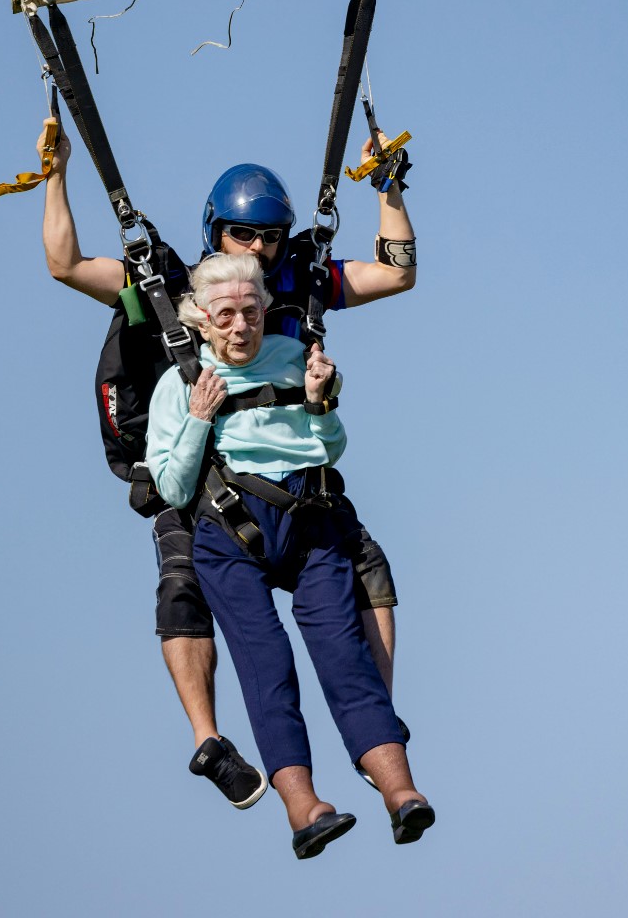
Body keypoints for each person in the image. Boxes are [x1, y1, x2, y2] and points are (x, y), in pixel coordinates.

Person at [36, 117, 419, 808]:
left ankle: (374, 721)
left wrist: (389, 189)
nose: (260, 248)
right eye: (245, 234)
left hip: (289, 474)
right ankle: (208, 740)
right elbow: (66, 265)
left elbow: (395, 272)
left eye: (270, 236)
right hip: (198, 474)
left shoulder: (298, 282)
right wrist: (57, 176)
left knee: (367, 564)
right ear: (216, 231)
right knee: (182, 583)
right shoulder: (175, 288)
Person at [142, 254, 433, 858]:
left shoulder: (297, 359)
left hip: (308, 524)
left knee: (344, 654)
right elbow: (171, 490)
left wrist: (321, 403)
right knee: (266, 665)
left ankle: (401, 793)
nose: (240, 327)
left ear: (266, 311)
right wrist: (198, 418)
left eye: (250, 313)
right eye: (225, 316)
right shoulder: (177, 383)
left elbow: (331, 447)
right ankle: (305, 810)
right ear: (201, 319)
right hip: (230, 534)